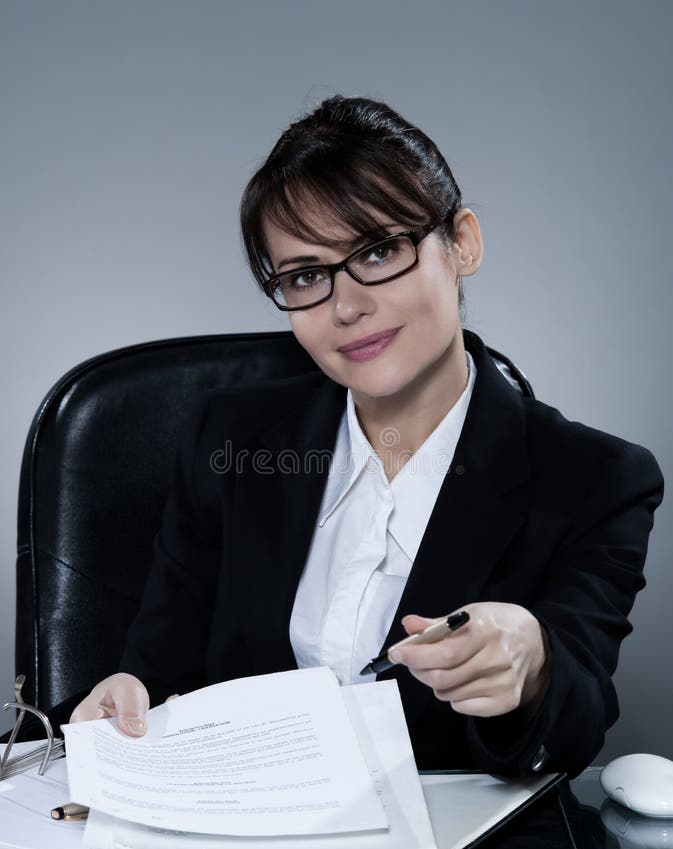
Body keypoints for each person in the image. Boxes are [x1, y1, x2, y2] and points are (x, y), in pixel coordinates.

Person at [69, 95, 663, 777]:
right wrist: (129, 696)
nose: (347, 307)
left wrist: (535, 667)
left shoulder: (595, 478)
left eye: (379, 251)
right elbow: (159, 670)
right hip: (243, 826)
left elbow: (576, 722)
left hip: (448, 839)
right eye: (306, 276)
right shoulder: (230, 438)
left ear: (462, 243)